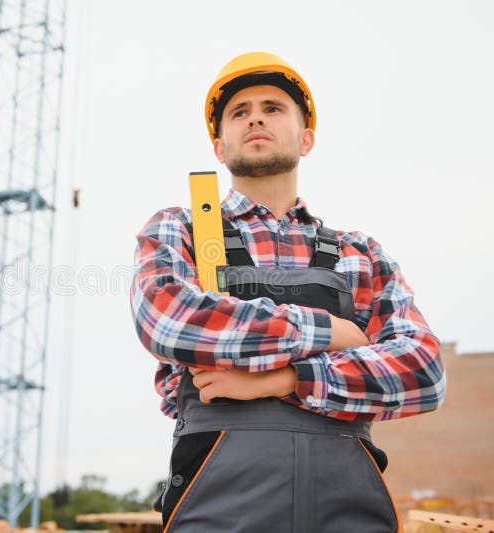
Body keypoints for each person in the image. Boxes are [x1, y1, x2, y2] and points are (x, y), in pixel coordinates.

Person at [130, 52, 446, 533]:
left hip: (349, 509)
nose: (255, 116)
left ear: (306, 138)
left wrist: (289, 380)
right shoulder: (184, 229)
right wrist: (333, 332)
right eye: (239, 112)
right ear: (219, 146)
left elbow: (423, 371)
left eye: (273, 107)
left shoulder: (359, 253)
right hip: (220, 504)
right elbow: (169, 318)